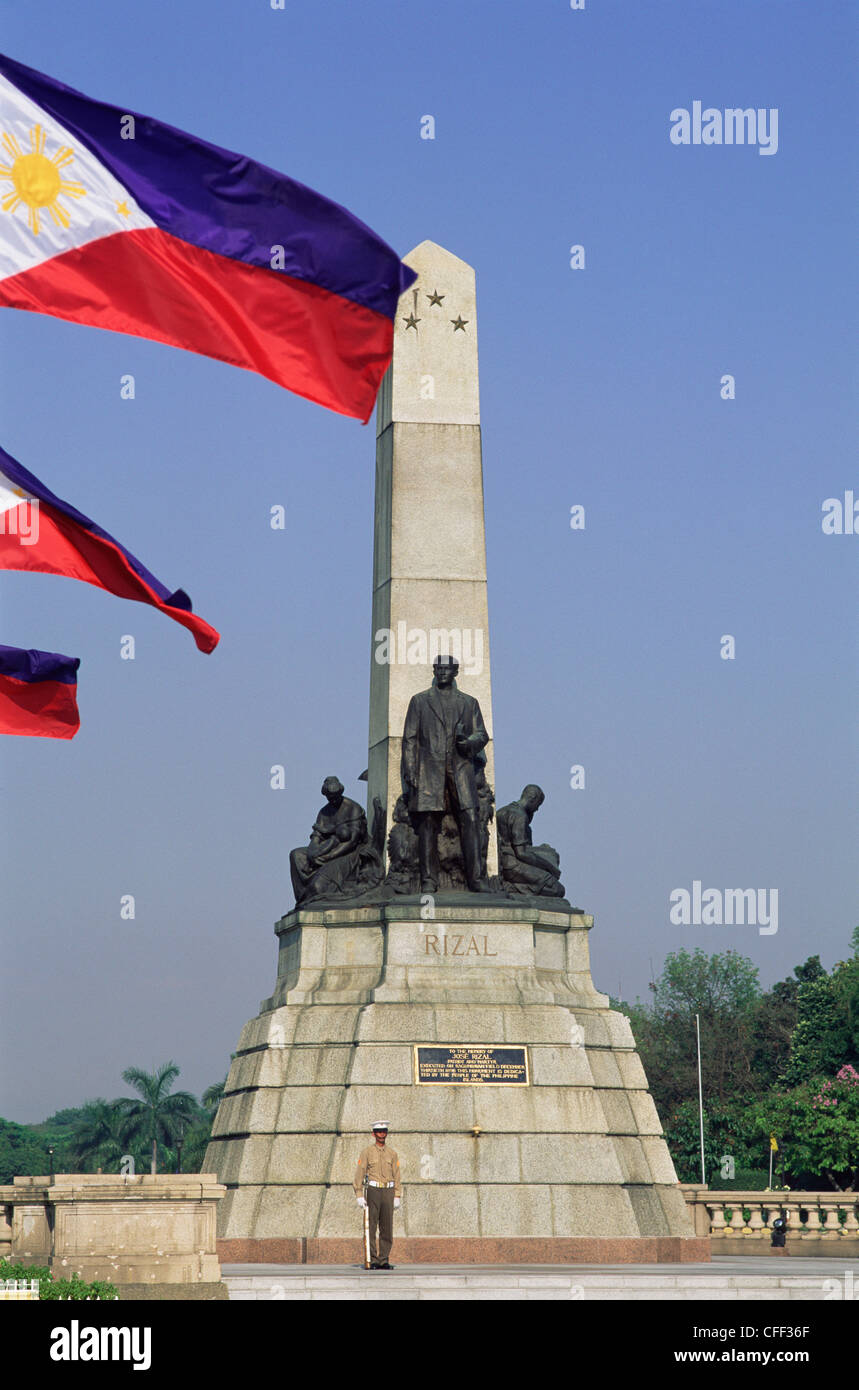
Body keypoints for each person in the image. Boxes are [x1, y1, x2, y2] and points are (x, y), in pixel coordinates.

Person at [400, 654, 490, 893]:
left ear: (455, 672)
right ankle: (429, 880)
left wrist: (467, 743)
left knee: (470, 819)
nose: (441, 672)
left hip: (460, 769)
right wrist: (410, 771)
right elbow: (409, 739)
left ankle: (476, 879)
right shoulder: (419, 701)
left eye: (445, 669)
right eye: (437, 668)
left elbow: (481, 734)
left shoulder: (468, 703)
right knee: (427, 823)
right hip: (429, 770)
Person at [354, 1122, 402, 1269]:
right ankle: (373, 1259)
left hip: (388, 1191)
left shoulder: (392, 1154)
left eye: (384, 1131)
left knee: (387, 1227)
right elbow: (360, 1172)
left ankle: (383, 1259)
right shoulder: (367, 1152)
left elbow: (397, 1175)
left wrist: (397, 1195)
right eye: (379, 1131)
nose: (382, 1134)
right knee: (371, 1226)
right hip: (373, 1191)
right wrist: (359, 1193)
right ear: (373, 1134)